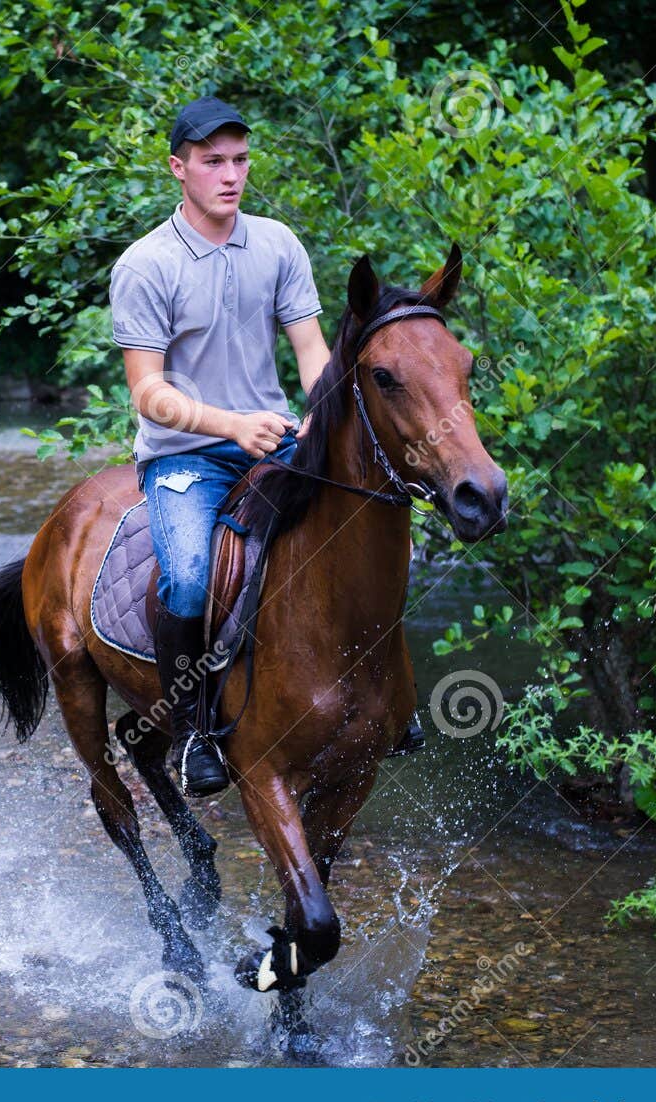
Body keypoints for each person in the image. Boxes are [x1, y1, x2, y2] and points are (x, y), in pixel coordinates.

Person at [108, 96, 423, 798]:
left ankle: (390, 696)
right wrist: (229, 426)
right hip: (183, 455)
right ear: (178, 168)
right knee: (189, 578)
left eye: (241, 160)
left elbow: (312, 353)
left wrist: (323, 417)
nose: (231, 175)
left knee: (377, 535)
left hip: (275, 440)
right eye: (213, 162)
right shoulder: (145, 265)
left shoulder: (277, 244)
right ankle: (192, 731)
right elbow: (147, 392)